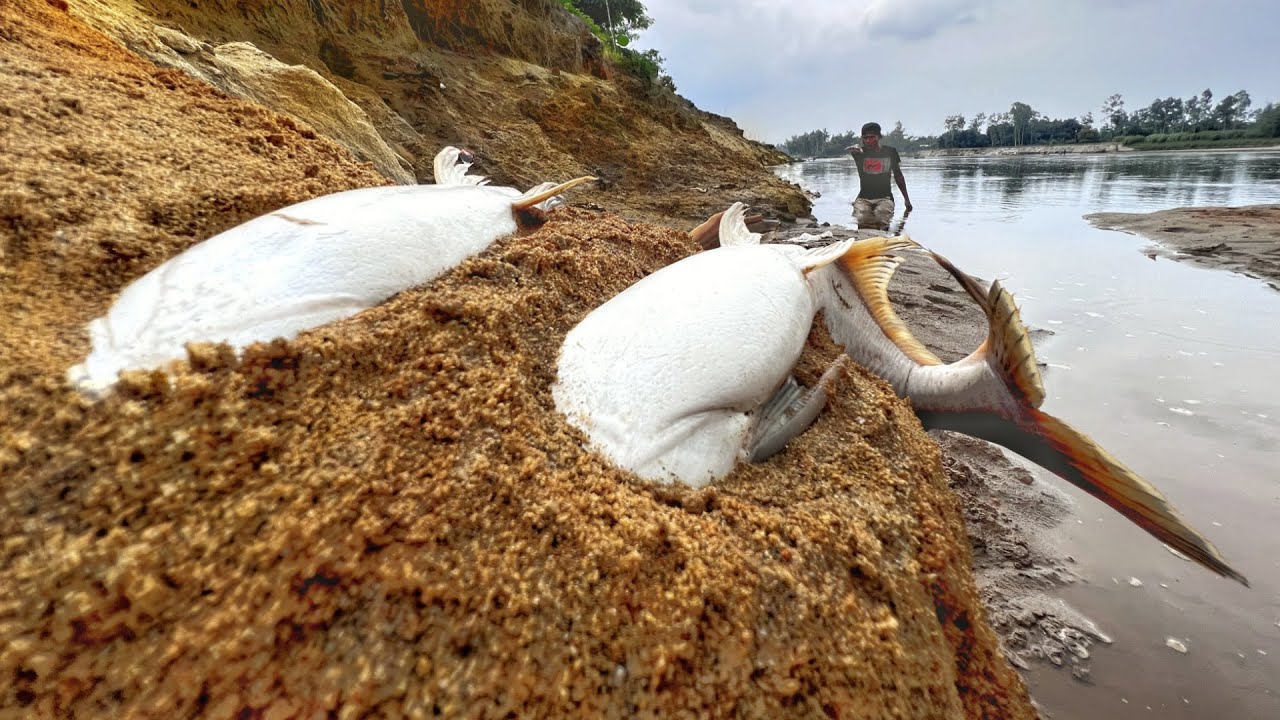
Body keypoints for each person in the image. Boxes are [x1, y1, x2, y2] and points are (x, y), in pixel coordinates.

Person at [847, 122, 912, 230]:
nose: (868, 141)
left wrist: (906, 200)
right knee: (862, 217)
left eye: (872, 137)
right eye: (865, 138)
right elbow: (854, 149)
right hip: (863, 198)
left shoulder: (890, 152)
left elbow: (898, 176)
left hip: (885, 198)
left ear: (879, 137)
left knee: (882, 217)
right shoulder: (859, 153)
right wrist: (855, 149)